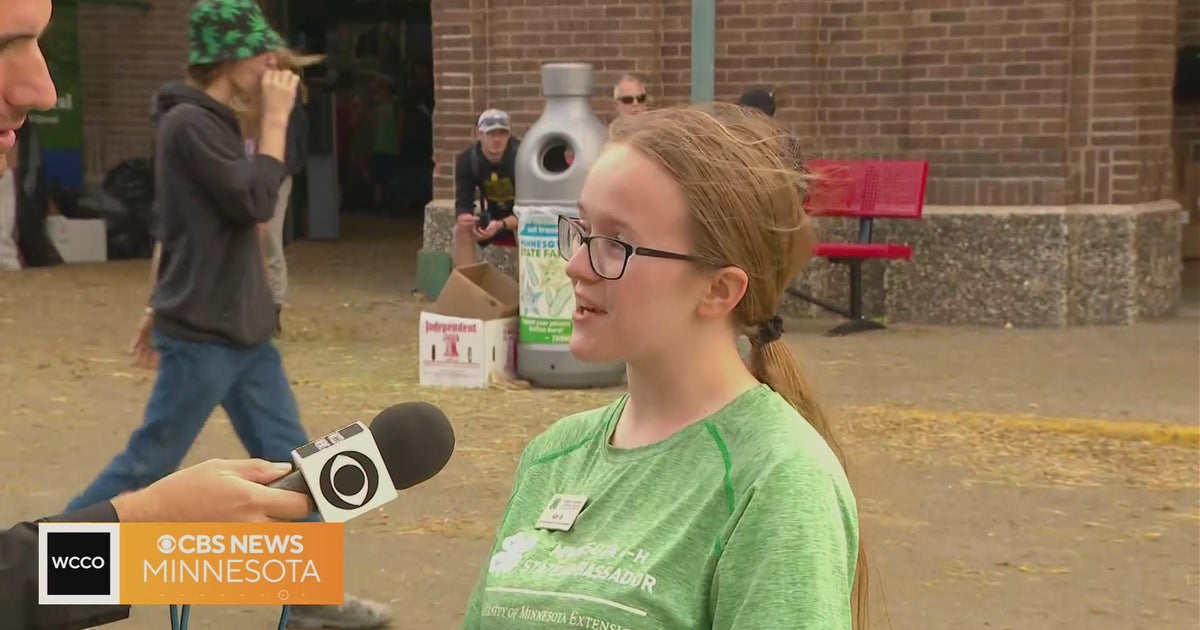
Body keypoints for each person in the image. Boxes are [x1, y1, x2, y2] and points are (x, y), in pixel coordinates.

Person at [461, 103, 867, 629]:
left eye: (615, 244)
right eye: (583, 229)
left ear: (718, 289)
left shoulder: (778, 478)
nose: (576, 265)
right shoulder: (554, 454)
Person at [64, 1, 391, 628]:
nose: (271, 64)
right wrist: (276, 122)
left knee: (297, 467)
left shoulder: (209, 124)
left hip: (243, 333)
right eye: (261, 53)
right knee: (147, 465)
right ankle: (48, 571)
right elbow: (256, 200)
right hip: (205, 334)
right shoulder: (188, 123)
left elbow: (186, 228)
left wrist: (155, 301)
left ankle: (311, 598)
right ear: (224, 56)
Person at [240, 47, 320, 336]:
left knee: (270, 239)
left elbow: (295, 149)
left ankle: (272, 308)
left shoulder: (290, 108)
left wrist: (277, 171)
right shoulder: (245, 102)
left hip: (274, 176)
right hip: (246, 173)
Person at [452, 108, 520, 268]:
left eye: (502, 133)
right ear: (479, 134)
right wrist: (465, 218)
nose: (497, 139)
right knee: (461, 230)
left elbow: (531, 210)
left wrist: (502, 224)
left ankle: (524, 282)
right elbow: (463, 202)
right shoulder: (467, 160)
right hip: (493, 215)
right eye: (491, 133)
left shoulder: (522, 157)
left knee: (526, 231)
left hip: (521, 217)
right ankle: (466, 280)